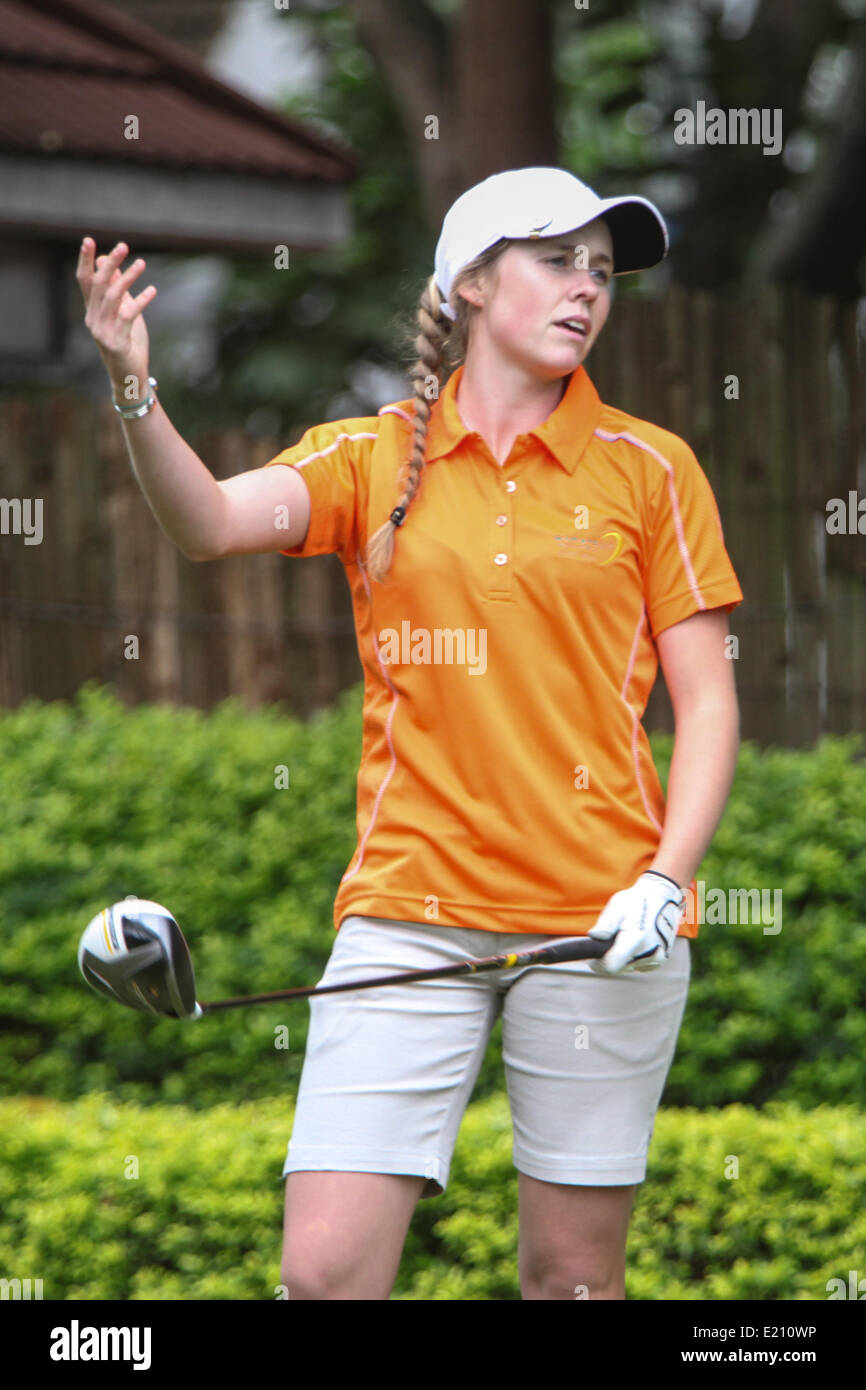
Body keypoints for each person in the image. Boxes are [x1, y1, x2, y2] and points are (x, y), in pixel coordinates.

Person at [77, 165, 742, 1302]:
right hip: (407, 914)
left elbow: (712, 703)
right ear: (472, 282)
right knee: (324, 1274)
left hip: (600, 920)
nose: (587, 287)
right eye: (555, 259)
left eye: (601, 269)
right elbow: (207, 524)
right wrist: (137, 391)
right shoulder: (367, 456)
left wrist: (665, 884)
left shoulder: (652, 469)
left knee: (572, 1278)